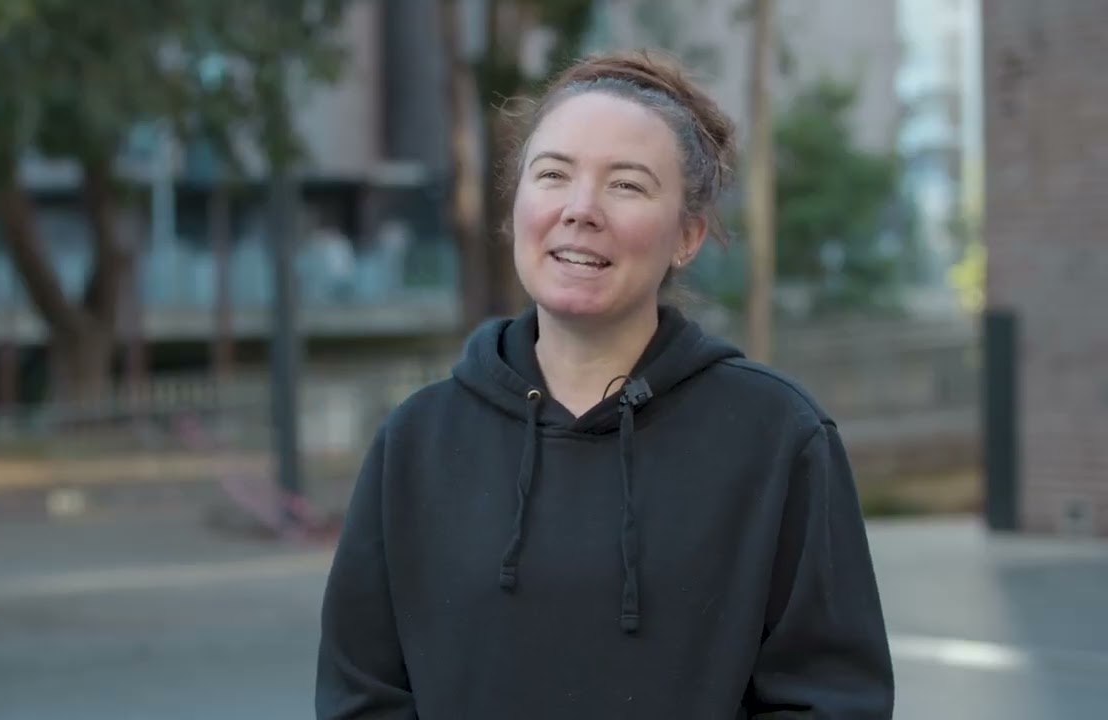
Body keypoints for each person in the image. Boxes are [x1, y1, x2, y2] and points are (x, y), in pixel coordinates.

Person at [315, 49, 894, 719]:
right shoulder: (417, 442)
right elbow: (363, 697)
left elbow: (830, 700)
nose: (580, 209)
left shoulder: (777, 439)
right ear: (518, 205)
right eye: (554, 174)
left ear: (688, 235)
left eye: (627, 184)